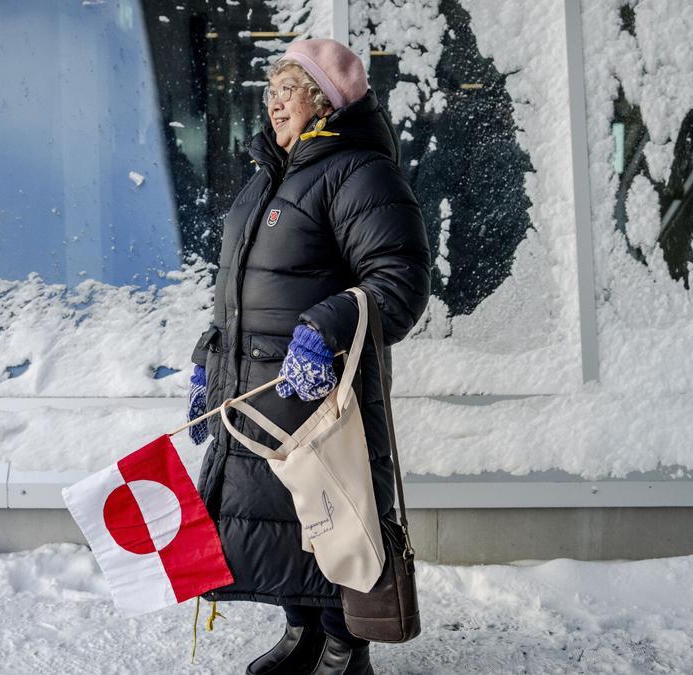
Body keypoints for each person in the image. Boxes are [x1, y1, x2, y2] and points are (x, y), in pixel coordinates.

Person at [186, 38, 430, 675]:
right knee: (286, 527)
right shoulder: (269, 177)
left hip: (324, 398)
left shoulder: (360, 172)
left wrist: (327, 325)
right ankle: (304, 634)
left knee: (334, 520)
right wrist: (209, 359)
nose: (274, 103)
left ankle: (346, 648)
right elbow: (239, 293)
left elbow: (399, 283)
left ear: (325, 100)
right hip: (261, 395)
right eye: (270, 91)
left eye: (289, 90)